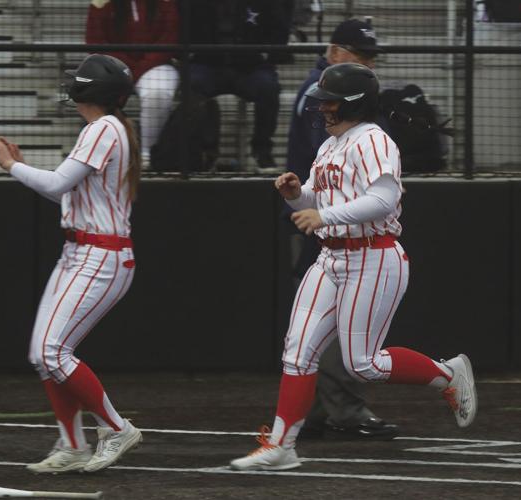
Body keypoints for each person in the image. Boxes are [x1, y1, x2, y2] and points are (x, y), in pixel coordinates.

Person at [230, 63, 477, 471]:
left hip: (373, 256)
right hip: (331, 257)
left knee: (363, 364)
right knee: (298, 351)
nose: (323, 108)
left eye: (330, 101)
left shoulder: (374, 140)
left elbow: (383, 199)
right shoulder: (331, 145)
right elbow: (317, 200)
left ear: (353, 104)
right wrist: (296, 195)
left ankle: (446, 374)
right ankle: (281, 446)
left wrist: (324, 217)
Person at [0, 54, 142, 474]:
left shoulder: (104, 128)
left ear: (88, 90)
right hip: (81, 250)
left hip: (101, 254)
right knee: (44, 354)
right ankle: (73, 445)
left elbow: (57, 183)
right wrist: (22, 169)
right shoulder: (104, 128)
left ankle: (115, 428)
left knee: (51, 351)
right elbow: (67, 194)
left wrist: (12, 167)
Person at [287, 19, 399, 441]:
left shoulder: (351, 107)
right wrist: (313, 211)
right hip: (325, 230)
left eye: (371, 57)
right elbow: (335, 182)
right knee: (325, 329)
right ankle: (339, 409)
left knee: (326, 333)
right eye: (361, 55)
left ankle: (316, 411)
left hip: (329, 226)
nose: (369, 64)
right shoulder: (331, 99)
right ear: (335, 52)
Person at [182, 0, 292, 171]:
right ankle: (205, 150)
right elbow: (184, 28)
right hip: (208, 63)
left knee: (268, 87)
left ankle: (262, 151)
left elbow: (279, 28)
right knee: (192, 84)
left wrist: (266, 55)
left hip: (250, 66)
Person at [86, 0, 180, 167]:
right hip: (114, 64)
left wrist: (135, 71)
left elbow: (169, 39)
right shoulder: (102, 2)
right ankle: (104, 156)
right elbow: (95, 41)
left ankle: (147, 155)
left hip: (156, 64)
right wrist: (124, 66)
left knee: (158, 92)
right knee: (97, 93)